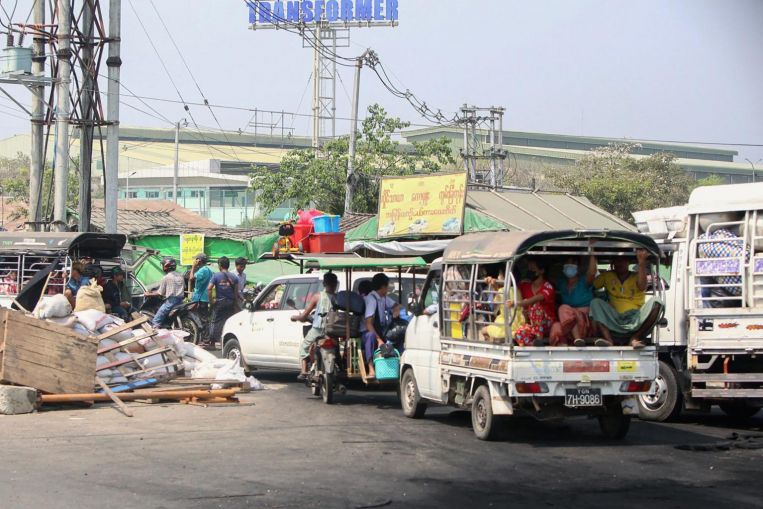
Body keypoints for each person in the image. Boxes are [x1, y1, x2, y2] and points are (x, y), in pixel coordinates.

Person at [587, 249, 661, 348]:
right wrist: (593, 254)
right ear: (613, 263)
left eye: (623, 260)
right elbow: (589, 284)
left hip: (635, 316)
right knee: (595, 303)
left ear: (628, 262)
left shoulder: (636, 276)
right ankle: (608, 340)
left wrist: (641, 262)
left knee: (657, 302)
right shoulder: (607, 275)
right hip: (615, 317)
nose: (620, 263)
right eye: (617, 260)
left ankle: (635, 338)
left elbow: (642, 286)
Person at [291, 272, 339, 381]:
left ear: (324, 283)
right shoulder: (337, 297)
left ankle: (303, 371)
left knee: (304, 347)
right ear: (335, 284)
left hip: (318, 330)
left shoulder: (317, 297)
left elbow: (304, 315)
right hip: (333, 331)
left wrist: (295, 317)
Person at [361, 273, 400, 378]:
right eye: (387, 286)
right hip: (368, 332)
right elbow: (368, 323)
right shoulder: (371, 299)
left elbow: (395, 305)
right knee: (371, 336)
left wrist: (396, 311)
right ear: (383, 287)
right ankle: (371, 369)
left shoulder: (383, 298)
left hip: (380, 330)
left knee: (398, 334)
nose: (388, 289)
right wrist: (379, 340)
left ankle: (397, 366)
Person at [512, 258, 557, 347]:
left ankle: (539, 339)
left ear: (542, 271)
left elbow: (535, 300)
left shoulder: (548, 286)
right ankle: (535, 344)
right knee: (518, 333)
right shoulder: (524, 285)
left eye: (533, 268)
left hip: (547, 324)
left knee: (536, 308)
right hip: (531, 324)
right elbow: (509, 289)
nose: (530, 271)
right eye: (529, 268)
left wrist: (517, 303)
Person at [550, 257, 594, 347]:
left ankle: (578, 339)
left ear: (578, 267)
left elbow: (592, 272)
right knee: (555, 326)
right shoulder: (561, 283)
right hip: (567, 324)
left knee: (563, 308)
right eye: (567, 264)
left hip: (584, 322)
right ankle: (563, 347)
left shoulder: (583, 281)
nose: (569, 266)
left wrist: (592, 251)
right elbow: (547, 280)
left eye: (573, 263)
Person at [206, 256, 240, 349]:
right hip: (230, 302)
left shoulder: (216, 275)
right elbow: (236, 293)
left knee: (214, 321)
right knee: (228, 322)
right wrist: (235, 304)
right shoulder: (234, 277)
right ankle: (226, 342)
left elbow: (209, 289)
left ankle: (212, 343)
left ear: (220, 265)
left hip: (220, 302)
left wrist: (211, 301)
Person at [144, 257, 185, 329]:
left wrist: (148, 294)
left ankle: (155, 331)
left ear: (166, 266)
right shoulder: (180, 276)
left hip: (171, 302)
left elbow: (160, 293)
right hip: (180, 301)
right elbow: (183, 287)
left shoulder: (166, 277)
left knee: (156, 320)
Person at [190, 253, 213, 341]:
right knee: (203, 318)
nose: (195, 261)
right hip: (205, 297)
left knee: (201, 319)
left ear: (199, 260)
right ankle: (204, 338)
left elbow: (191, 278)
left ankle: (205, 339)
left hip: (200, 298)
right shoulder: (208, 270)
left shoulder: (202, 270)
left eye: (196, 259)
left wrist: (193, 267)